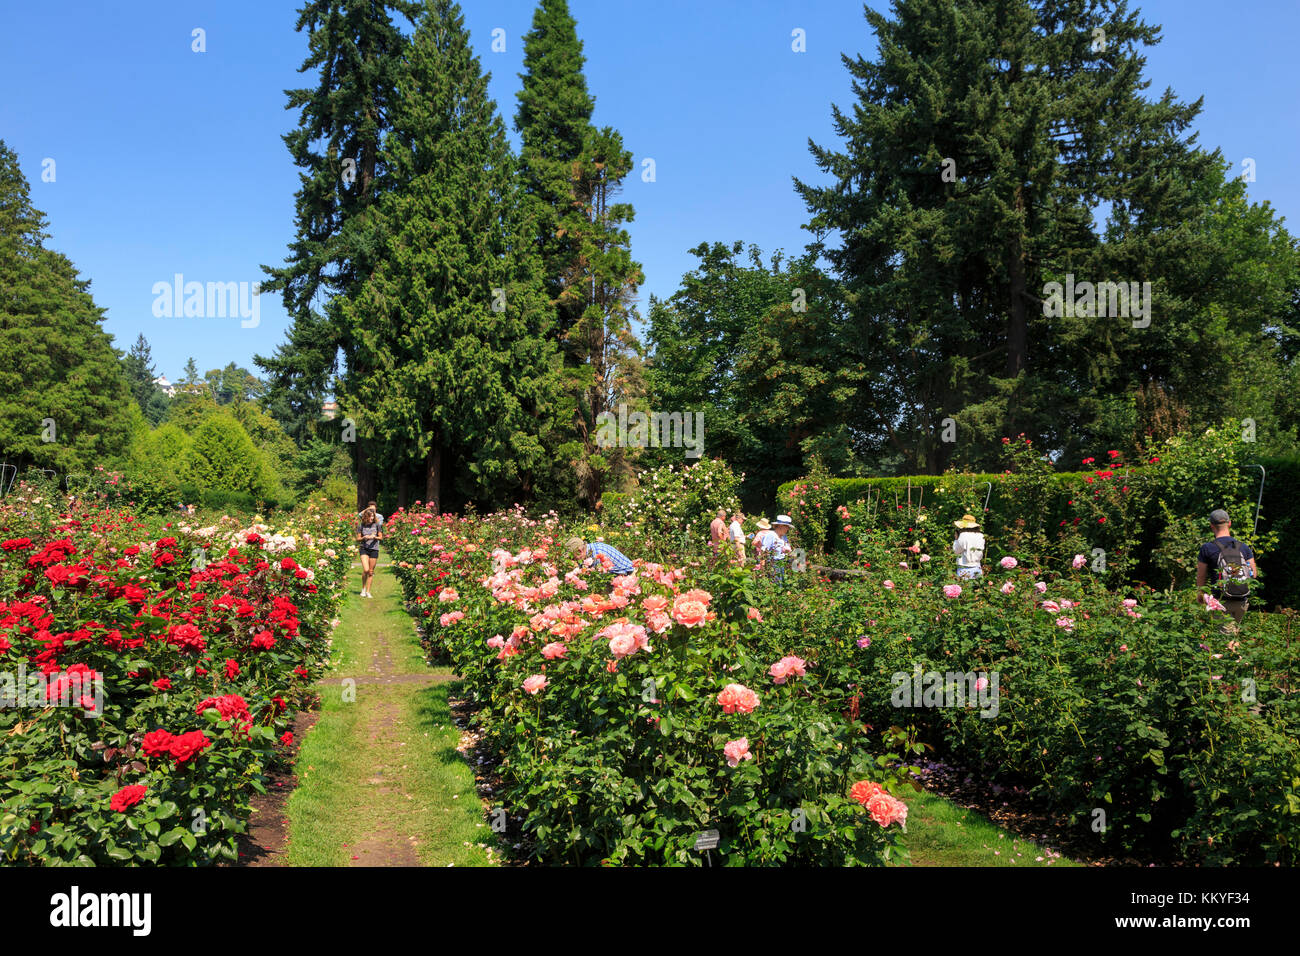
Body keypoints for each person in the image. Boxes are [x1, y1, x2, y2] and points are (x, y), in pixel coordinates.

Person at [1196, 508, 1257, 630]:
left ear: (1211, 525)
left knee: (1225, 642)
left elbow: (1201, 576)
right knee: (1234, 637)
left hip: (1221, 602)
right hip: (1242, 600)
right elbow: (1254, 574)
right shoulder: (1243, 547)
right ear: (1229, 523)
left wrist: (1200, 595)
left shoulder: (1207, 548)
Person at [755, 515, 794, 584]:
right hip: (772, 564)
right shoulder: (771, 535)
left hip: (782, 563)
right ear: (781, 526)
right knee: (776, 584)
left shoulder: (784, 537)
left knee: (781, 584)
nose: (788, 529)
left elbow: (787, 548)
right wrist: (762, 569)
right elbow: (764, 551)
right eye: (787, 527)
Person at [567, 536, 635, 575]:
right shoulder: (590, 549)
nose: (573, 559)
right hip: (618, 574)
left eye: (572, 556)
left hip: (629, 575)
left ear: (580, 551)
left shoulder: (596, 554)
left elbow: (597, 577)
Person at [357, 505, 383, 598]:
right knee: (366, 569)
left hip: (374, 549)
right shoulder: (361, 526)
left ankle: (368, 591)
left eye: (373, 516)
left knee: (371, 571)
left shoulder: (377, 525)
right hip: (364, 548)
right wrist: (364, 537)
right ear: (366, 517)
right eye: (370, 516)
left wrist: (374, 537)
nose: (372, 518)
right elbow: (358, 538)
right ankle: (363, 589)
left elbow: (380, 537)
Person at [952, 514, 985, 579]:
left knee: (965, 588)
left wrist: (956, 539)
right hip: (977, 566)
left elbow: (956, 551)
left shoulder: (963, 535)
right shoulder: (981, 535)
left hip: (964, 567)